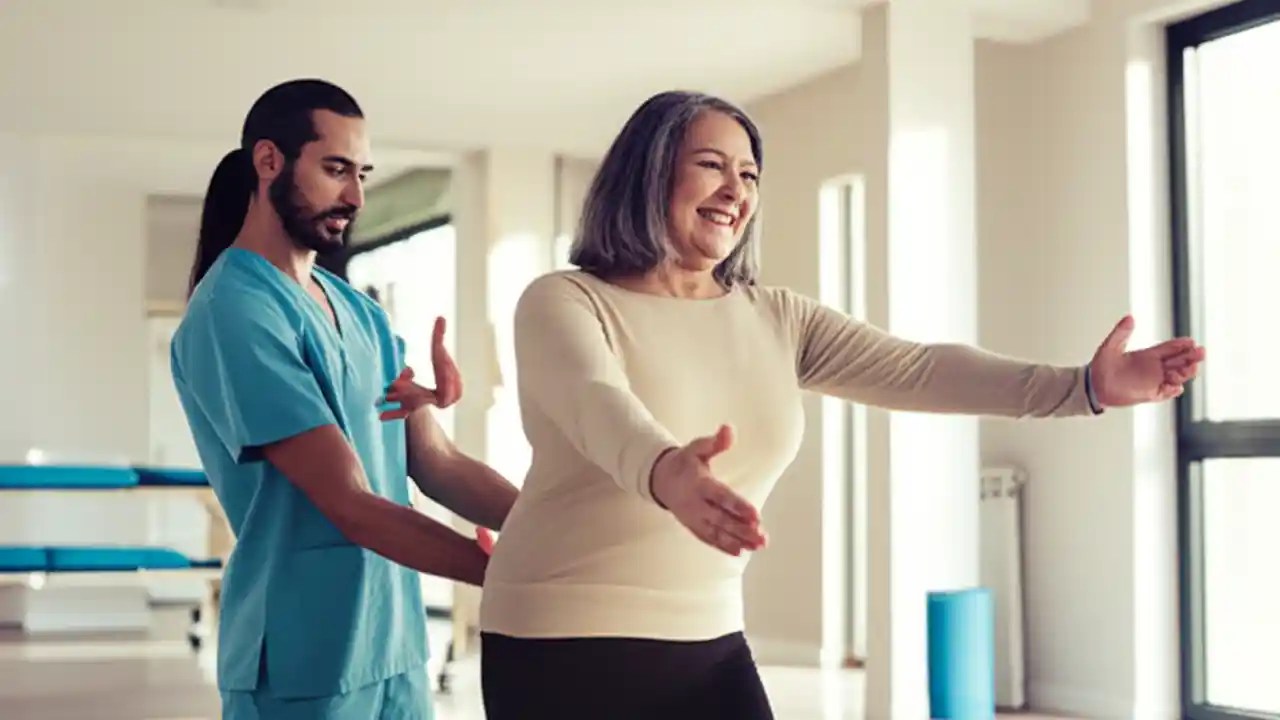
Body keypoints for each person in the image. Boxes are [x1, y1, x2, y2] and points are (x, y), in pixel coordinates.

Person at [478, 90, 1205, 719]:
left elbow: (918, 369)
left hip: (709, 633)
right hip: (559, 628)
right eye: (711, 164)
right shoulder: (565, 300)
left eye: (749, 174)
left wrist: (1080, 387)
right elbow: (597, 402)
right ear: (649, 171)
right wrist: (669, 471)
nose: (735, 189)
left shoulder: (776, 317)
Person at [170, 79, 517, 720]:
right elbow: (349, 504)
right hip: (301, 655)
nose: (355, 196)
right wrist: (516, 571)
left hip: (394, 644)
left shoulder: (362, 314)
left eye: (361, 174)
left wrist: (553, 528)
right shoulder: (234, 310)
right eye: (335, 170)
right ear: (269, 161)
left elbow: (437, 464)